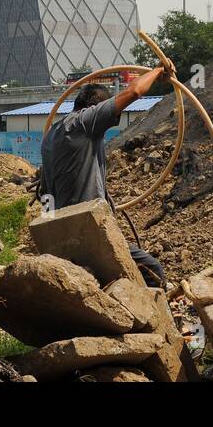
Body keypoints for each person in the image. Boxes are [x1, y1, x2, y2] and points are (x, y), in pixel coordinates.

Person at [39, 62, 174, 286]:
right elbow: (134, 91)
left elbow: (45, 191)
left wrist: (51, 234)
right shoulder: (85, 122)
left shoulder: (52, 135)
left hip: (65, 231)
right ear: (96, 108)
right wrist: (159, 71)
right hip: (88, 228)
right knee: (152, 271)